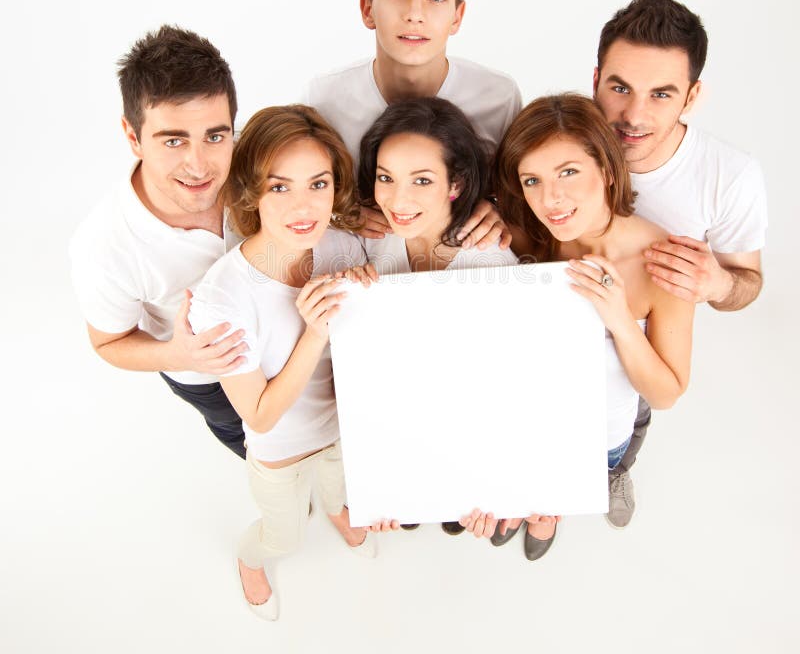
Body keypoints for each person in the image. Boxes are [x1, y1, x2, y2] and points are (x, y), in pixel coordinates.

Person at [188, 105, 379, 621]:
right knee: (284, 536)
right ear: (251, 191)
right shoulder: (222, 298)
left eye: (318, 184)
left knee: (341, 494)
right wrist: (316, 331)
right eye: (280, 187)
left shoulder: (342, 246)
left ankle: (338, 512)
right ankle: (251, 562)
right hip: (283, 454)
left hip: (343, 430)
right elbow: (260, 415)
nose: (303, 206)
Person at [487, 93, 694, 557]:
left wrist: (618, 319)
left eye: (568, 172)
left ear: (605, 168)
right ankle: (537, 511)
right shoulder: (530, 236)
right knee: (527, 499)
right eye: (532, 180)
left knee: (609, 462)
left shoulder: (662, 260)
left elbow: (665, 394)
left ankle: (613, 480)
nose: (550, 198)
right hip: (539, 425)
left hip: (608, 428)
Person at [592, 0, 768, 525]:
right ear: (595, 77)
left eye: (661, 94)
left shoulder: (730, 176)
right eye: (619, 87)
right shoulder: (560, 144)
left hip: (648, 344)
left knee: (628, 419)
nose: (633, 115)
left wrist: (717, 284)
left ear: (691, 97)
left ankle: (614, 473)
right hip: (564, 329)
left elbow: (749, 282)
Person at [69, 26, 248, 458]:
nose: (200, 164)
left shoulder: (255, 160)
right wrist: (181, 355)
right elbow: (109, 342)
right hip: (206, 376)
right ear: (133, 137)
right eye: (174, 140)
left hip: (285, 343)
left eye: (215, 135)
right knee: (245, 435)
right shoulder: (102, 245)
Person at [305, 0, 521, 250]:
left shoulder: (499, 98)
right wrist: (340, 212)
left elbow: (523, 205)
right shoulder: (324, 100)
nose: (415, 13)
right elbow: (297, 196)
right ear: (368, 8)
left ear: (457, 16)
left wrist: (496, 211)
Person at [357, 96, 518, 534]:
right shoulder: (375, 243)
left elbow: (505, 390)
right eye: (386, 178)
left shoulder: (491, 264)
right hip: (400, 428)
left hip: (467, 433)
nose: (398, 199)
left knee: (460, 511)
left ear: (456, 184)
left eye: (422, 180)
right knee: (404, 508)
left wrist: (492, 484)